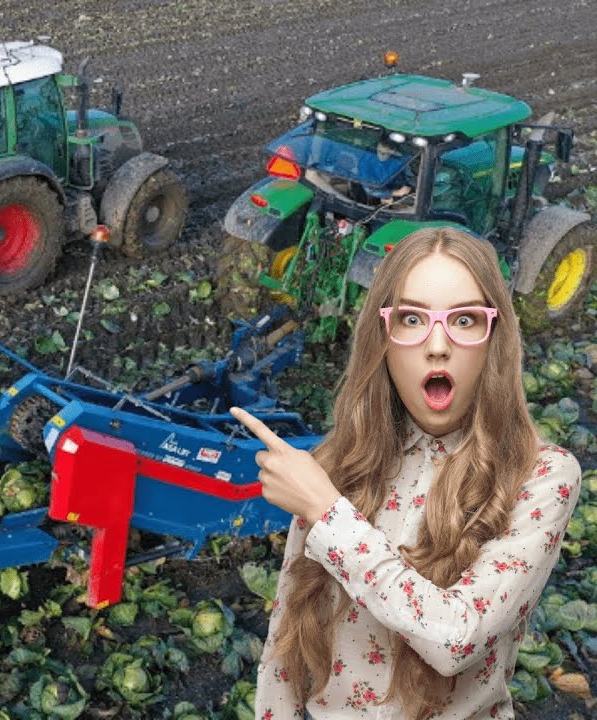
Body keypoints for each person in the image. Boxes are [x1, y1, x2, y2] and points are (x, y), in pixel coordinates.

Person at [229, 227, 581, 718]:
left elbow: (455, 639)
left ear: (494, 339)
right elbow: (283, 653)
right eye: (412, 318)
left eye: (464, 319)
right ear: (384, 338)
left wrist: (327, 513)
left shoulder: (542, 477)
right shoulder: (337, 463)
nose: (437, 346)